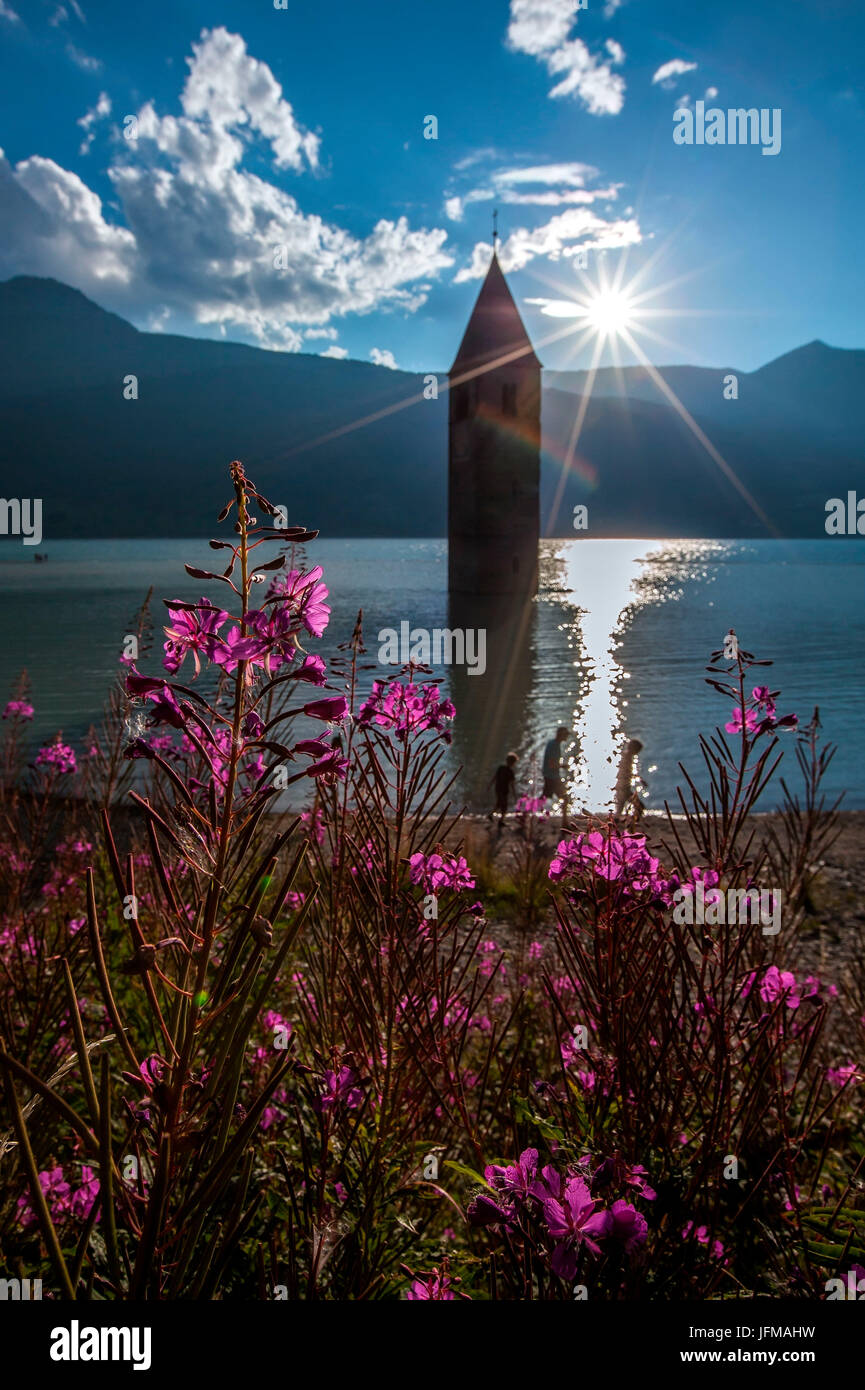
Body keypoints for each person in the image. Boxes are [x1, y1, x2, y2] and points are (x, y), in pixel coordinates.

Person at [615, 738, 645, 819]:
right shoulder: (627, 757)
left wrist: (640, 780)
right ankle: (633, 821)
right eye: (638, 750)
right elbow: (626, 771)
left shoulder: (625, 756)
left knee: (620, 806)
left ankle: (617, 820)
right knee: (638, 805)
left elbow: (629, 772)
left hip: (622, 786)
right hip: (623, 787)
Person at [542, 726, 570, 808]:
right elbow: (552, 765)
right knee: (565, 797)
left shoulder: (553, 744)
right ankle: (565, 820)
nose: (567, 736)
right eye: (565, 734)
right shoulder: (554, 746)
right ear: (561, 735)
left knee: (545, 797)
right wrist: (563, 766)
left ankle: (530, 812)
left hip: (549, 776)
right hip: (552, 777)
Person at [489, 751, 518, 821]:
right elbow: (512, 785)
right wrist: (514, 794)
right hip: (504, 790)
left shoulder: (501, 768)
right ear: (513, 763)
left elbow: (495, 777)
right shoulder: (510, 772)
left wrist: (490, 785)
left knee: (499, 803)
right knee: (504, 806)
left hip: (498, 788)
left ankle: (491, 815)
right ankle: (501, 820)